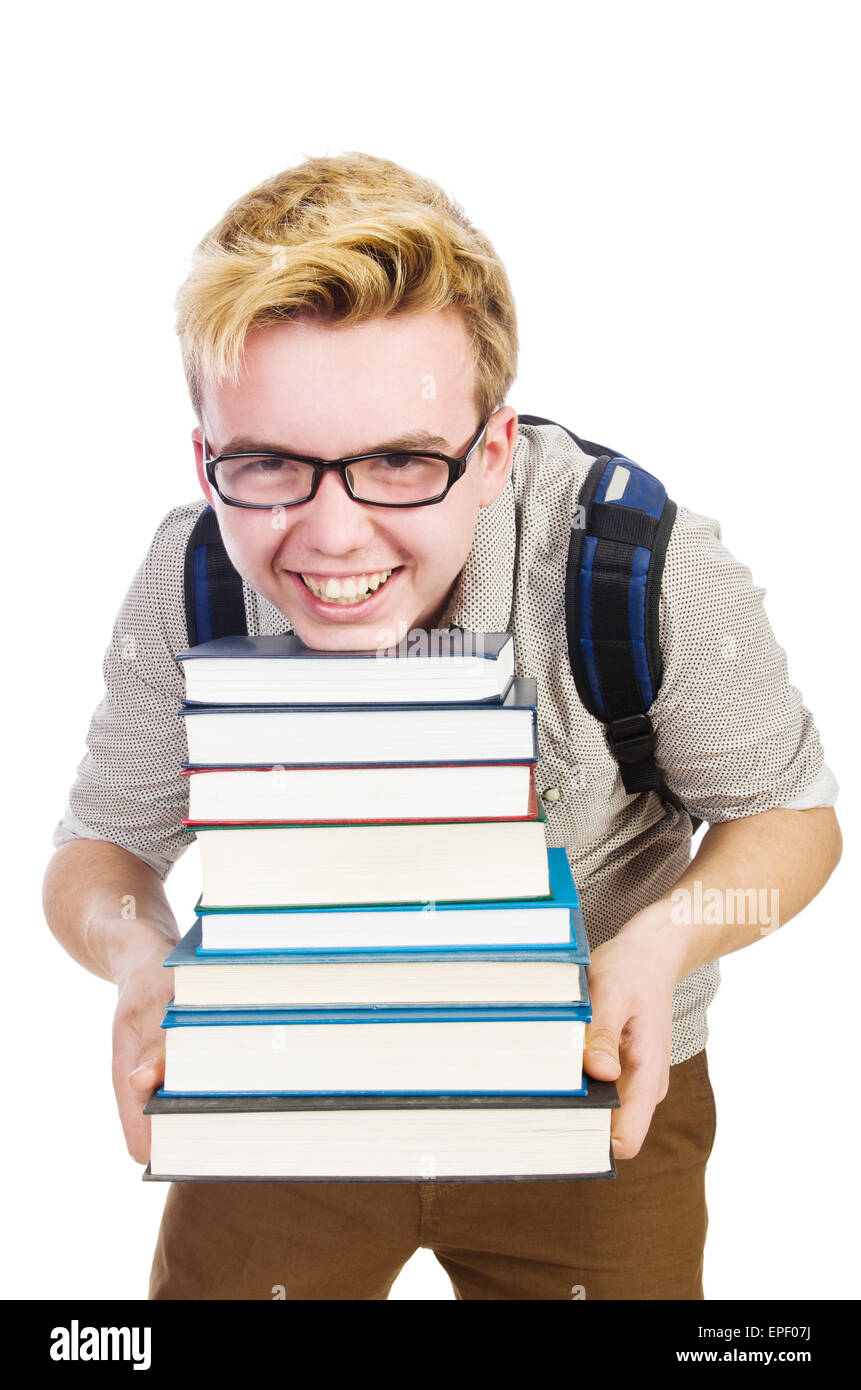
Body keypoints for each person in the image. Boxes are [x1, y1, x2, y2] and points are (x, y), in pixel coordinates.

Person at [42, 151, 842, 1301]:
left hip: (596, 1095)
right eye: (267, 463)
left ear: (494, 452)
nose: (331, 537)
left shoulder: (636, 569)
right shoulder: (190, 575)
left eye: (401, 462)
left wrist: (662, 944)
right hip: (281, 1089)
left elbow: (791, 817)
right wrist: (139, 953)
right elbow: (101, 847)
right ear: (206, 459)